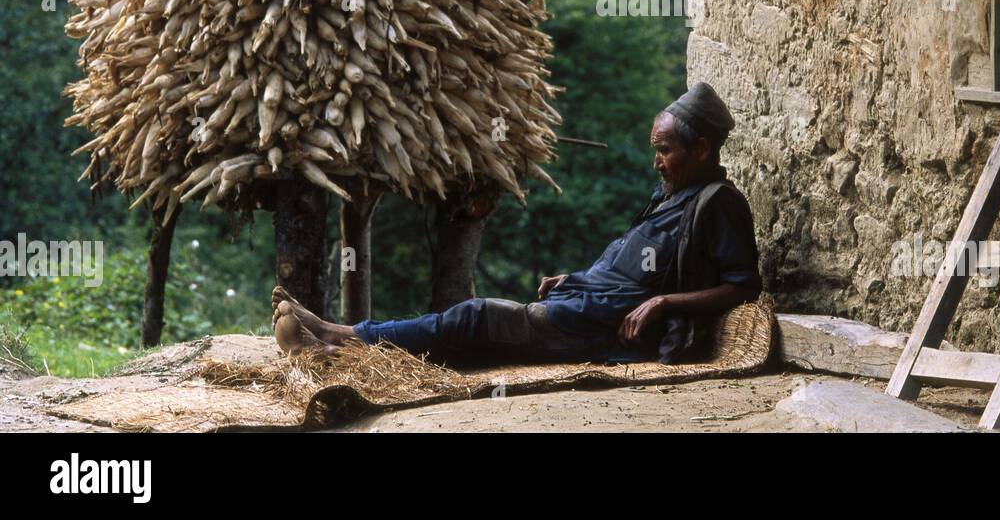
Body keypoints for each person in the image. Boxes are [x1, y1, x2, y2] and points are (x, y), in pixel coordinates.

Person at [273, 82, 762, 366]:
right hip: (583, 304)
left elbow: (743, 285)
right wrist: (576, 279)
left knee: (475, 317)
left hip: (603, 331)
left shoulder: (717, 204)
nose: (656, 162)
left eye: (665, 151)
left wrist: (663, 302)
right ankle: (338, 345)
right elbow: (637, 265)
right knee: (473, 337)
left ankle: (341, 335)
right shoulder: (672, 193)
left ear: (701, 150)